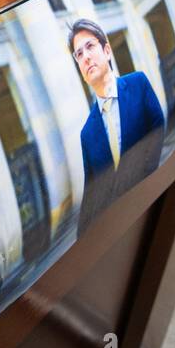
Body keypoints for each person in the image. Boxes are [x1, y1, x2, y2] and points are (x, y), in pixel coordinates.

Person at [69, 18, 165, 236]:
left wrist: (146, 185)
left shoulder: (138, 83)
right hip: (116, 225)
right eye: (79, 54)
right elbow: (92, 189)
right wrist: (82, 238)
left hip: (150, 202)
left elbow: (158, 128)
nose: (86, 57)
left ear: (107, 51)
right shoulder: (87, 134)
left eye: (90, 47)